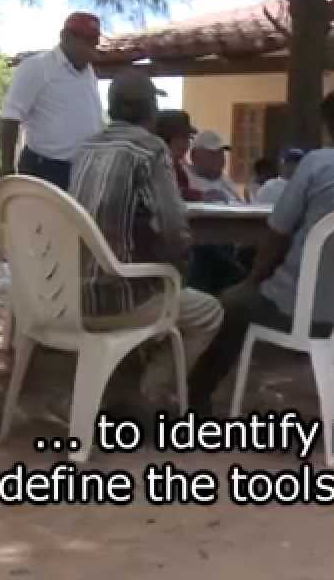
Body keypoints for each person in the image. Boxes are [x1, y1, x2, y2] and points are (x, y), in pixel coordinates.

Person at [187, 84, 334, 413]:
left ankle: (196, 399)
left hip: (297, 313)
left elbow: (276, 234)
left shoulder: (317, 164)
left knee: (233, 303)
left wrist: (253, 281)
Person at [68, 68, 224, 411]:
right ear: (151, 110)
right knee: (207, 311)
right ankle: (150, 395)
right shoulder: (150, 149)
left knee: (159, 284)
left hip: (66, 296)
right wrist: (180, 268)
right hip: (119, 300)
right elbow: (174, 228)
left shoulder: (86, 147)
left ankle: (119, 389)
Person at [0, 13, 137, 190]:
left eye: (94, 41)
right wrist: (6, 167)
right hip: (46, 169)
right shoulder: (37, 67)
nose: (91, 47)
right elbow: (10, 117)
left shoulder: (88, 72)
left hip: (85, 168)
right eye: (85, 40)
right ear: (65, 37)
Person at [154, 110, 203, 202]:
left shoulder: (180, 170)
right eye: (183, 137)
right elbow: (165, 195)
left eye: (189, 138)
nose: (187, 144)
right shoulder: (151, 165)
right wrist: (202, 196)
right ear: (164, 138)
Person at [186, 130, 243, 204]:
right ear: (194, 156)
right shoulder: (184, 179)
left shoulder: (227, 182)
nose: (219, 158)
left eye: (221, 152)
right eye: (212, 153)